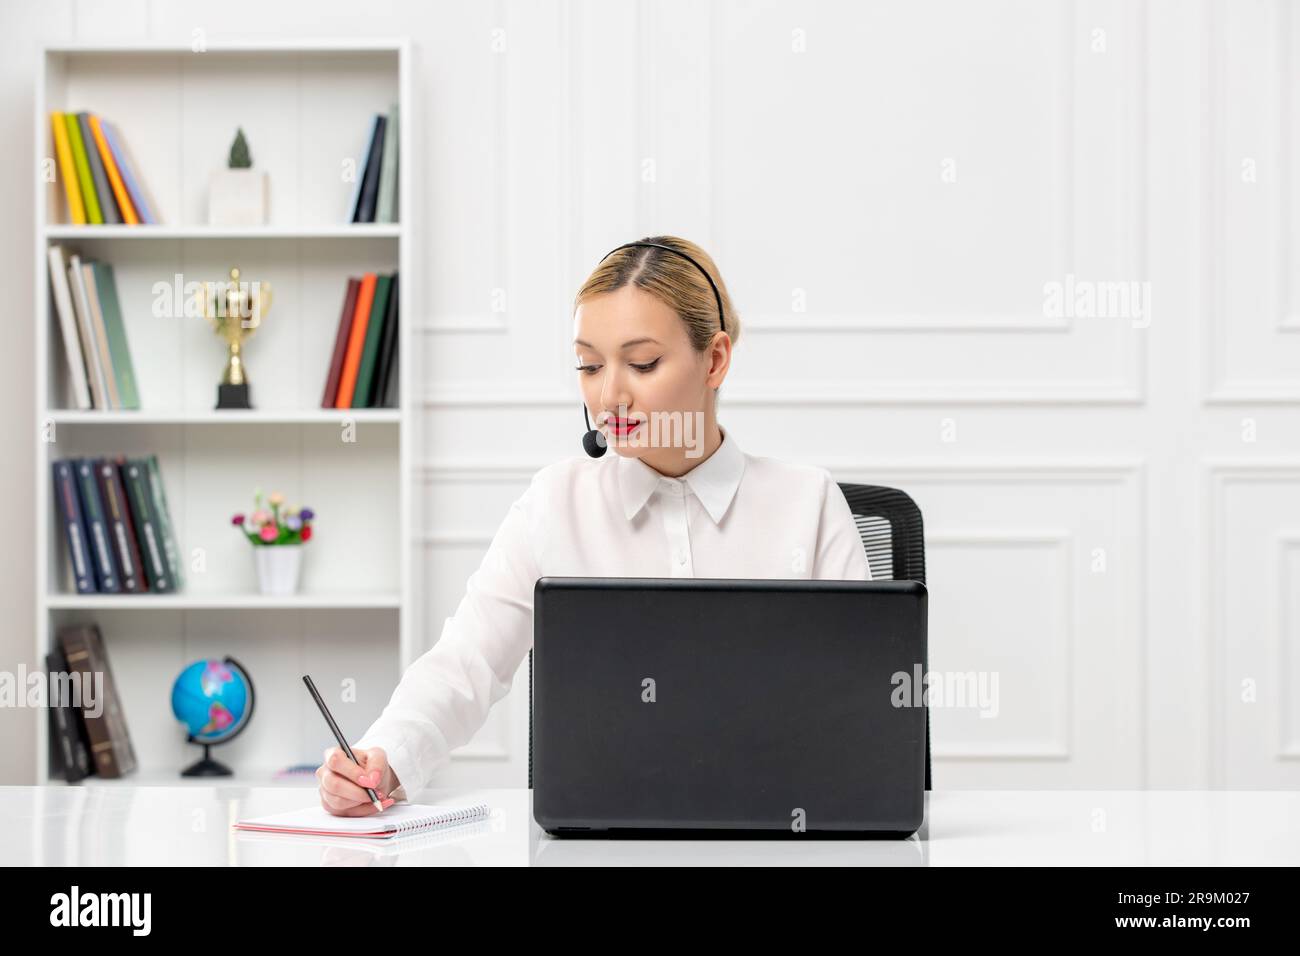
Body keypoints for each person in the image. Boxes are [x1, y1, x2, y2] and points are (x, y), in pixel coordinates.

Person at [316, 235, 872, 815]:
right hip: (601, 839)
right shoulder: (555, 502)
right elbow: (465, 663)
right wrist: (384, 757)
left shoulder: (809, 502)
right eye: (589, 365)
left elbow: (860, 712)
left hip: (784, 833)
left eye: (642, 363)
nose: (610, 396)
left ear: (715, 359)